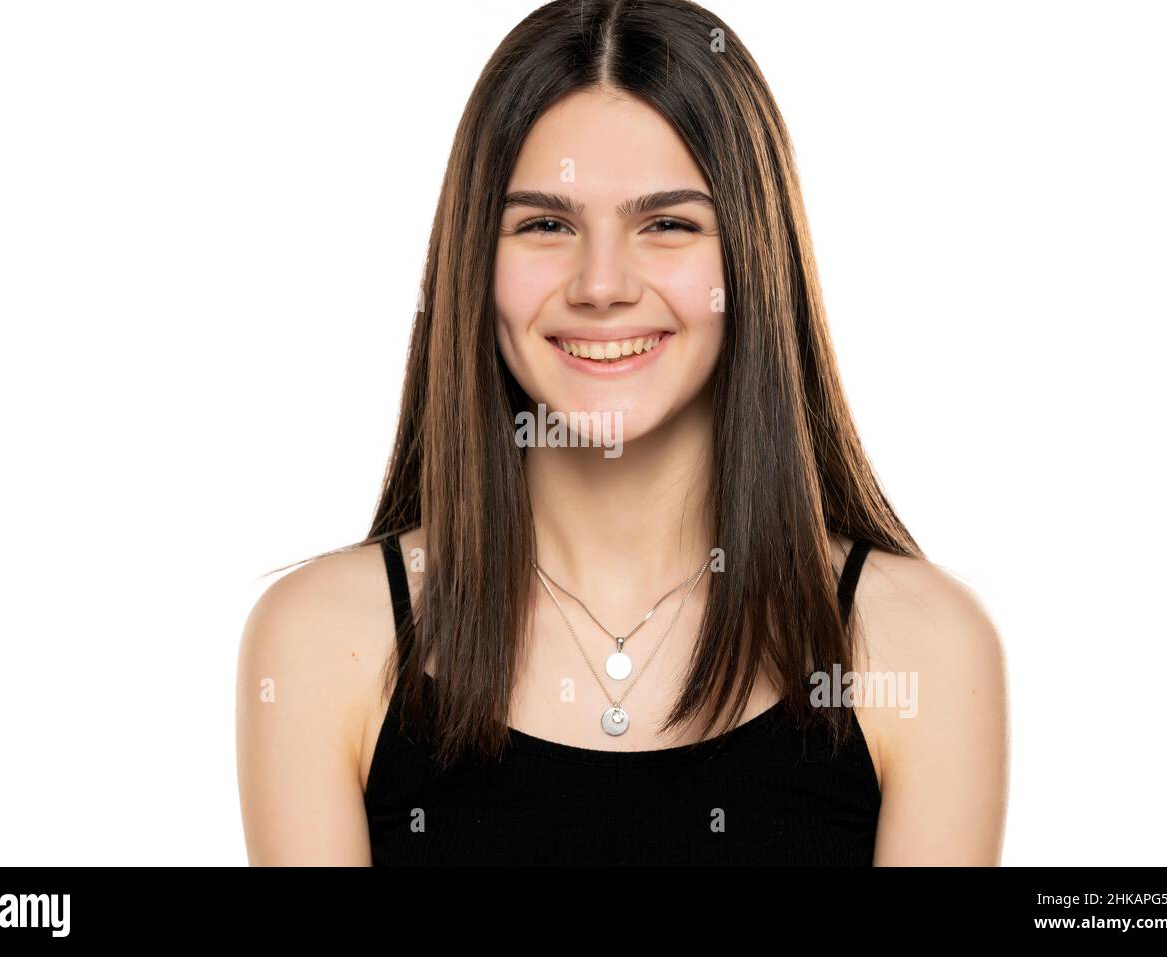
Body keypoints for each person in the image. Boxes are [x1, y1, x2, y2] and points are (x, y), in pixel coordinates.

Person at [236, 0, 1009, 866]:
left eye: (668, 224)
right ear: (473, 262)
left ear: (754, 258)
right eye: (546, 224)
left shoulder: (925, 650)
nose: (601, 284)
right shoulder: (320, 642)